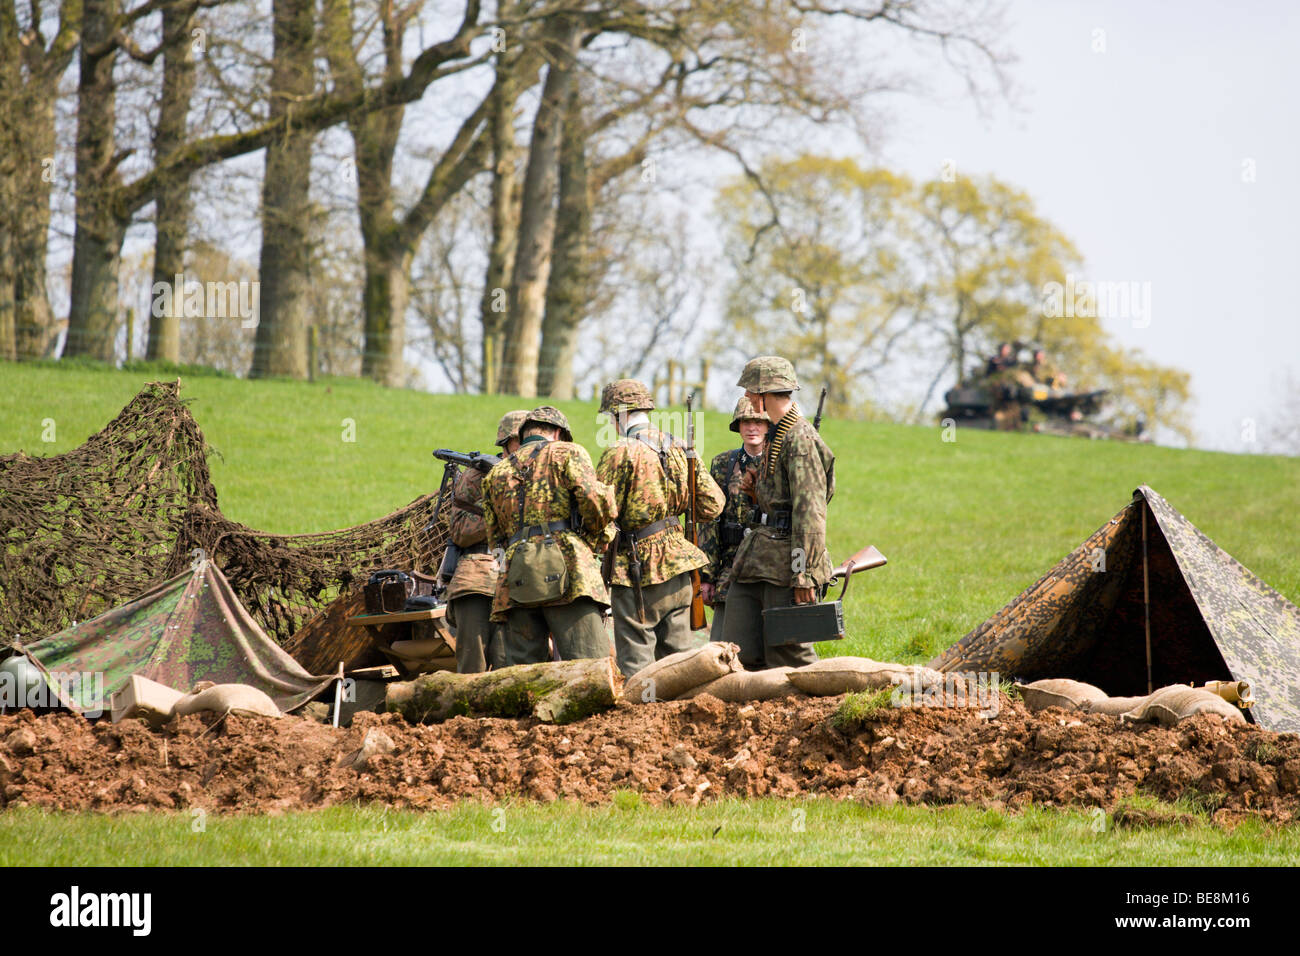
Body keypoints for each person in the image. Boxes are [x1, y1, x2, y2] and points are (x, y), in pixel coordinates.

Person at [595, 379, 725, 678]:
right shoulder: (681, 447)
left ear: (619, 415)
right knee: (679, 665)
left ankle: (641, 722)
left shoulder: (620, 452)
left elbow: (599, 512)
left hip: (638, 571)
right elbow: (713, 505)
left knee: (639, 667)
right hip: (681, 568)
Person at [717, 356, 835, 670]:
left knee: (788, 656)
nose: (746, 398)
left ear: (764, 392)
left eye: (750, 391)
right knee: (741, 654)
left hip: (787, 565)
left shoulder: (799, 439)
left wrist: (803, 575)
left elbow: (810, 513)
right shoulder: (778, 435)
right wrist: (760, 492)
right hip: (757, 559)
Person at [481, 406, 617, 665]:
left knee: (525, 671)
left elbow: (494, 537)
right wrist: (592, 539)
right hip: (570, 568)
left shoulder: (495, 473)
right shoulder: (569, 452)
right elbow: (595, 503)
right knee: (590, 663)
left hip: (515, 572)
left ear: (524, 435)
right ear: (557, 433)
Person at [443, 409, 529, 673]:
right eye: (521, 439)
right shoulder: (478, 474)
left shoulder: (542, 471)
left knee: (508, 664)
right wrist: (503, 516)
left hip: (519, 580)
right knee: (472, 663)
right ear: (507, 441)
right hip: (478, 578)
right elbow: (459, 530)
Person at [699, 396, 769, 642]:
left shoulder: (782, 463)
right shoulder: (722, 464)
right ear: (737, 426)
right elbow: (710, 521)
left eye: (759, 422)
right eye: (746, 422)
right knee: (720, 645)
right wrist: (707, 576)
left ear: (769, 426)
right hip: (731, 567)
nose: (752, 428)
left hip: (769, 565)